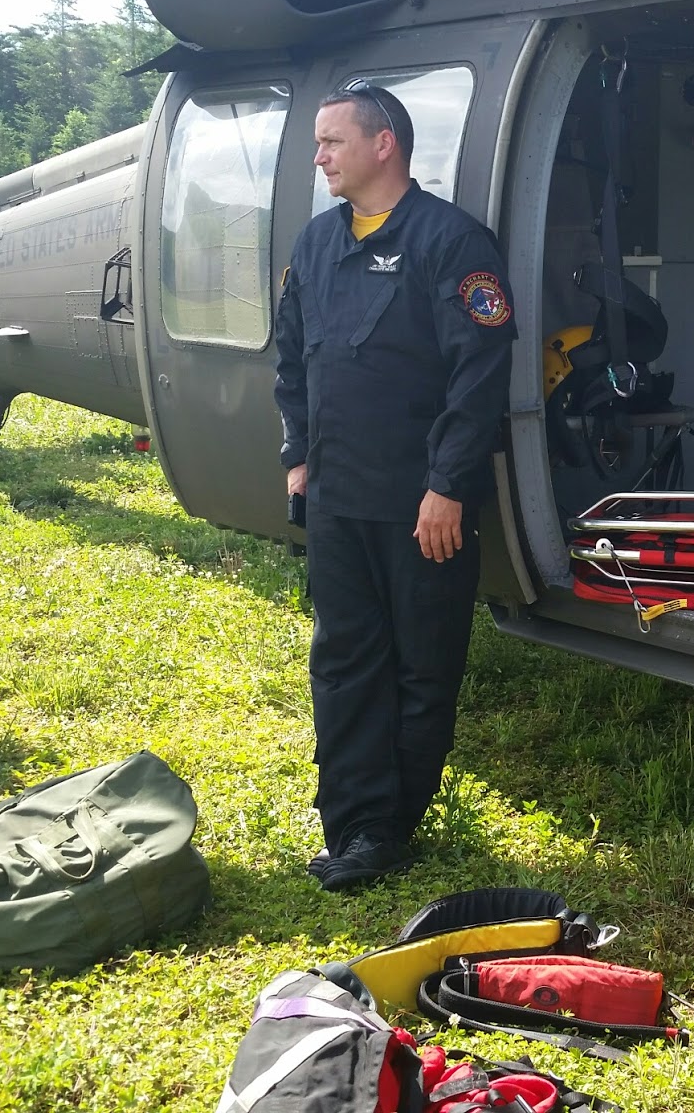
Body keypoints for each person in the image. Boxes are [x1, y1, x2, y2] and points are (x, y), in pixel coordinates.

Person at [274, 82, 516, 892]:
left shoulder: (452, 242)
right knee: (344, 661)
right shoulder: (315, 244)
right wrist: (296, 454)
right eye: (318, 144)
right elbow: (293, 359)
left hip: (423, 508)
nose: (320, 157)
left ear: (385, 146)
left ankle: (395, 822)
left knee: (422, 666)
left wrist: (448, 485)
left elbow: (478, 377)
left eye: (332, 142)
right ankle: (354, 823)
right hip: (338, 497)